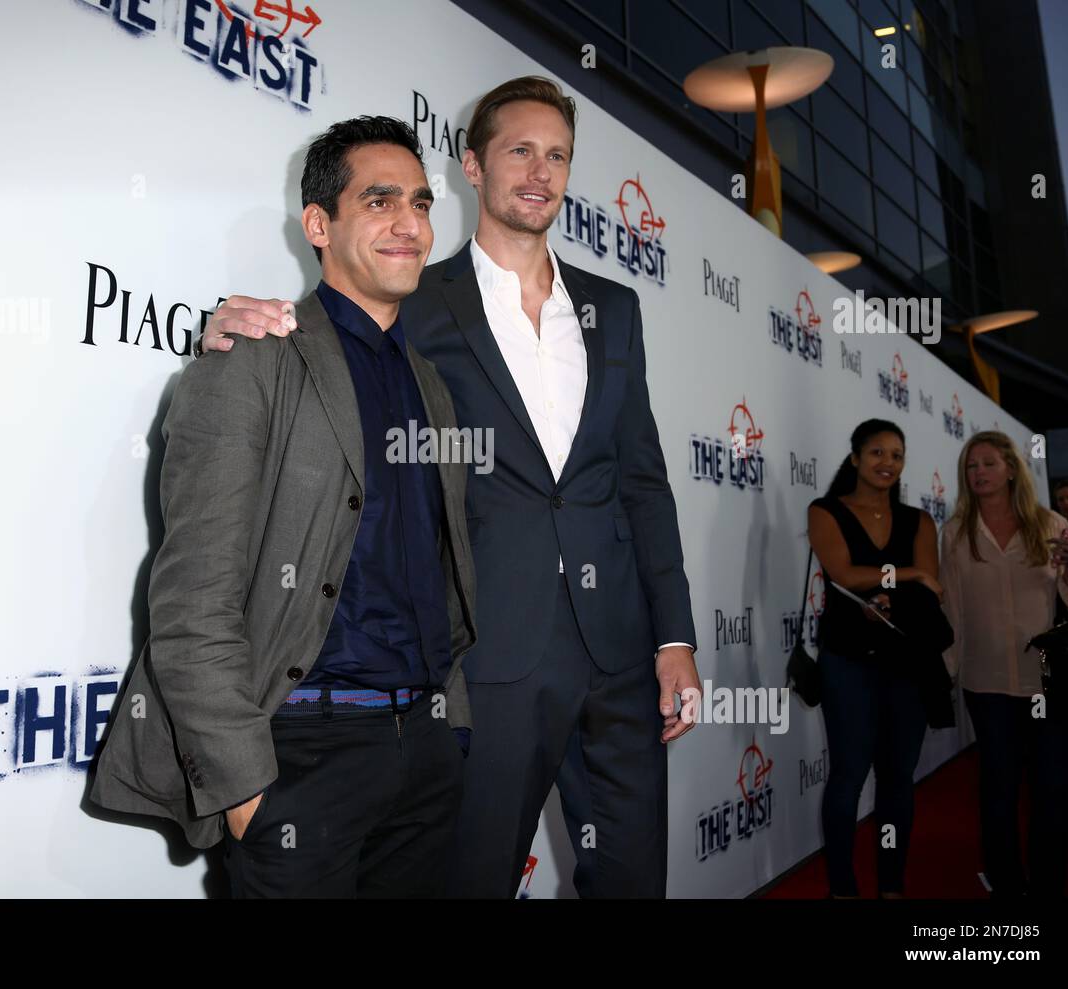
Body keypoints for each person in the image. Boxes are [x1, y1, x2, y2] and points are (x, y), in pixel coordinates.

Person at [197, 76, 699, 898]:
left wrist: (673, 637)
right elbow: (323, 358)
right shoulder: (413, 292)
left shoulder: (618, 308)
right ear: (474, 165)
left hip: (619, 656)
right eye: (520, 151)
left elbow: (643, 478)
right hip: (488, 658)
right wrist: (223, 328)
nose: (540, 171)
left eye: (558, 155)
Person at [91, 116, 478, 898]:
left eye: (421, 202)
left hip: (427, 757)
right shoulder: (252, 359)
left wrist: (451, 730)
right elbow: (191, 600)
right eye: (379, 201)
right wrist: (246, 794)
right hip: (302, 757)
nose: (410, 223)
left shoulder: (434, 388)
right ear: (318, 225)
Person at [940, 431, 1068, 898]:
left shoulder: (1050, 523)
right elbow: (952, 612)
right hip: (985, 683)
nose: (978, 473)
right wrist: (947, 672)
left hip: (1049, 683)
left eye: (987, 463)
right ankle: (1006, 884)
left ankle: (1048, 887)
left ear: (1010, 469)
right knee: (997, 789)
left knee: (1050, 789)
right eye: (970, 466)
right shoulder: (955, 531)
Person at [806, 419, 941, 898]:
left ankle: (890, 886)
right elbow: (843, 571)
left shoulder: (919, 521)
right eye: (878, 453)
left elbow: (932, 583)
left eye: (897, 455)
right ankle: (843, 887)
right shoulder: (825, 511)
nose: (888, 463)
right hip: (847, 659)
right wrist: (902, 577)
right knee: (848, 773)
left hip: (907, 660)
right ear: (857, 458)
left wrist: (886, 584)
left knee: (897, 777)